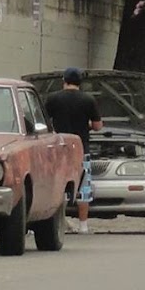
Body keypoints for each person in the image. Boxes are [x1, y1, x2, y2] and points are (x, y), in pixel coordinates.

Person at [45, 68, 103, 233]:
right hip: (80, 149)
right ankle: (83, 225)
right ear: (80, 82)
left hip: (58, 150)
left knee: (57, 185)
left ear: (64, 80)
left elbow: (44, 122)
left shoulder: (53, 99)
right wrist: (87, 125)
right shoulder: (88, 100)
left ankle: (55, 223)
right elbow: (98, 126)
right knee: (83, 187)